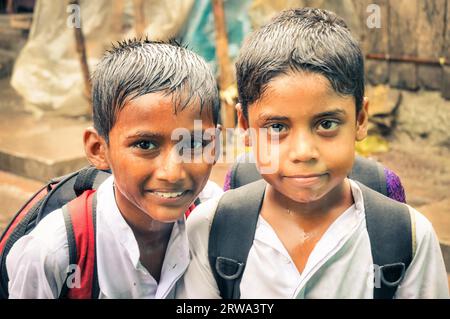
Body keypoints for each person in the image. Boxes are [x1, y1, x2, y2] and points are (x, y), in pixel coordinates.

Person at [177, 8, 449, 298]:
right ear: (244, 127)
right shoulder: (208, 231)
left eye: (326, 124)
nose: (304, 152)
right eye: (277, 126)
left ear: (360, 119)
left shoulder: (408, 238)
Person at [6, 38, 222, 298]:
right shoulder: (53, 253)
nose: (173, 172)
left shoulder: (218, 216)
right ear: (99, 149)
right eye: (145, 144)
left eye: (195, 143)